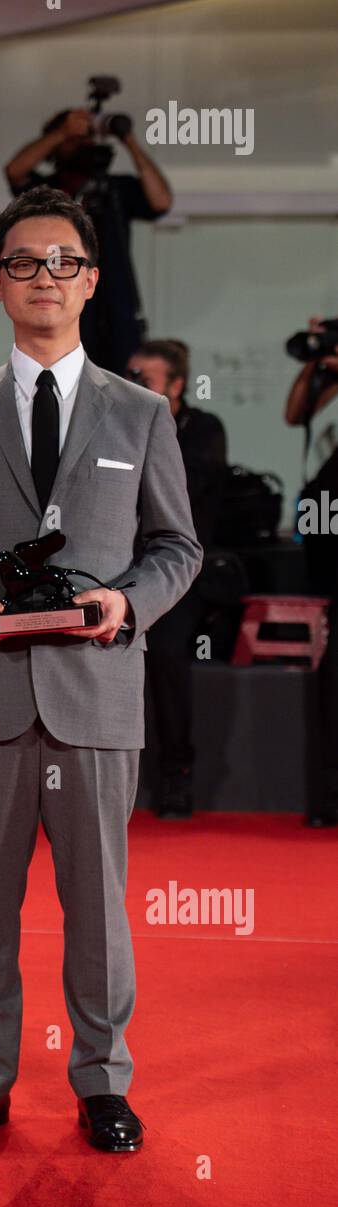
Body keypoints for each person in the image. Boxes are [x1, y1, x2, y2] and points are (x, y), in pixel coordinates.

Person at [0, 186, 201, 1153]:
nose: (45, 278)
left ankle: (103, 1082)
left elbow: (178, 548)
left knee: (98, 910)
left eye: (64, 262)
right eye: (25, 262)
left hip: (97, 690)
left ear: (93, 281)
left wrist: (127, 603)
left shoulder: (142, 412)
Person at [127, 339, 228, 818]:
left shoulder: (202, 429)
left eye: (145, 379)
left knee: (168, 664)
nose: (134, 386)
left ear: (177, 385)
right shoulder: (116, 418)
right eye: (130, 376)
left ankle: (175, 777)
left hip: (174, 572)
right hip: (116, 568)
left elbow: (183, 498)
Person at [5, 106, 171, 376]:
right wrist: (62, 132)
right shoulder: (48, 191)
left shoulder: (115, 189)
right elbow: (14, 171)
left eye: (88, 137)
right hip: (66, 304)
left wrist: (128, 139)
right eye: (76, 138)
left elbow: (161, 201)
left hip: (118, 306)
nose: (85, 143)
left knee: (123, 390)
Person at [285, 315, 338, 827]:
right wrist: (311, 366)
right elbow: (293, 415)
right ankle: (326, 793)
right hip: (320, 519)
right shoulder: (324, 386)